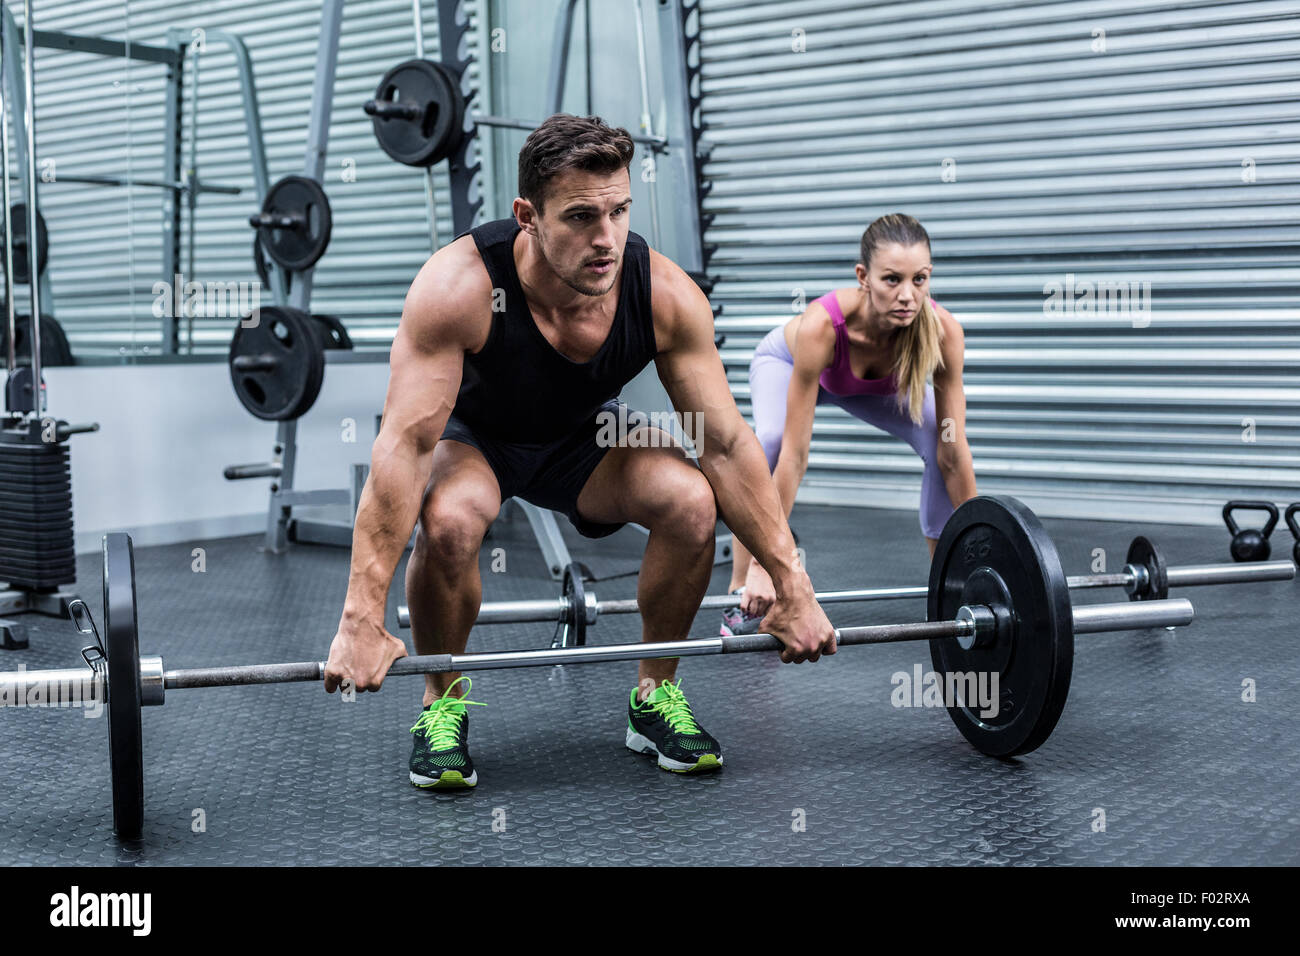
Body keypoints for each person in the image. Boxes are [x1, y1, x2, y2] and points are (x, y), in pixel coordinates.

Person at [323, 114, 835, 788]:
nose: (607, 238)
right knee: (449, 522)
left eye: (620, 211)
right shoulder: (459, 287)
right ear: (527, 216)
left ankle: (654, 696)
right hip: (477, 440)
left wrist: (790, 581)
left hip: (583, 439)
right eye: (581, 217)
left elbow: (725, 441)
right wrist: (361, 615)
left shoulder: (663, 295)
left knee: (689, 501)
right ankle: (441, 703)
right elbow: (406, 446)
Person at [720, 214, 976, 637]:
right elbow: (795, 455)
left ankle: (951, 581)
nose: (908, 295)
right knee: (770, 441)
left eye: (920, 279)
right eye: (892, 279)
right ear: (863, 277)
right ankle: (744, 589)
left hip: (863, 387)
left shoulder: (943, 332)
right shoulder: (823, 325)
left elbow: (954, 451)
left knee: (938, 440)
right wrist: (772, 564)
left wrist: (983, 549)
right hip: (789, 364)